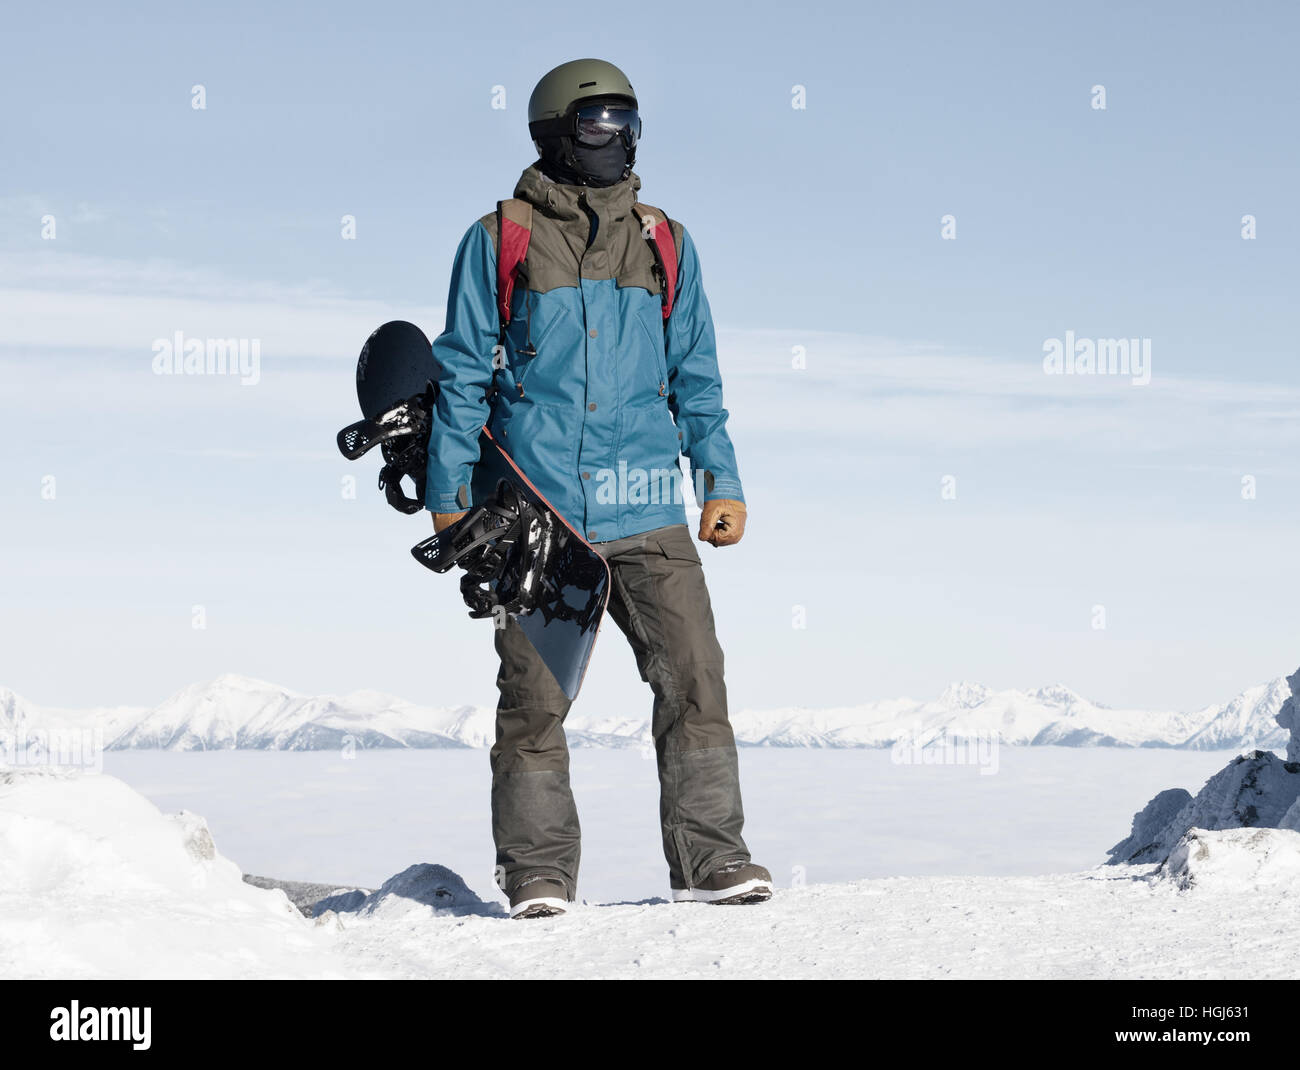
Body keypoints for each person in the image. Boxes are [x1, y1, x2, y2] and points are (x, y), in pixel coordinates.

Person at [426, 58, 770, 918]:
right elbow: (462, 370)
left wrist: (719, 479)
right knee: (534, 702)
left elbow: (697, 374)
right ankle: (537, 874)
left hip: (649, 502)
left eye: (627, 121)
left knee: (695, 679)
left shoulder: (665, 242)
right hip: (538, 513)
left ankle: (712, 862)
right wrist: (448, 491)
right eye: (595, 123)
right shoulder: (498, 236)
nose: (614, 137)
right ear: (553, 133)